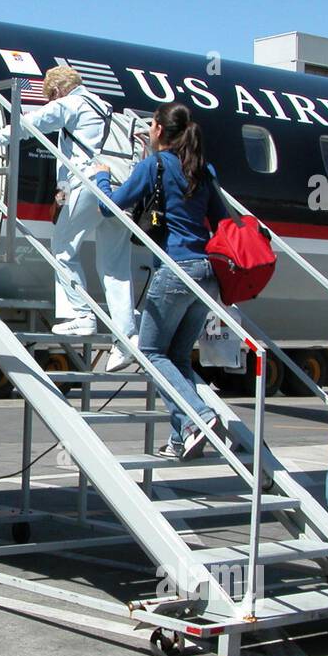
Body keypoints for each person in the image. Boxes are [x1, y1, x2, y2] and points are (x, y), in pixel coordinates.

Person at [94, 102, 227, 457]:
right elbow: (221, 218)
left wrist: (102, 174)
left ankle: (198, 414)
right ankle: (182, 437)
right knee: (179, 358)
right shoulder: (203, 169)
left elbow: (109, 206)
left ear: (157, 130)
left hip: (175, 270)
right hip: (207, 274)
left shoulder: (153, 165)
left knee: (150, 352)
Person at [0, 65, 135, 348]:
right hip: (117, 186)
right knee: (115, 264)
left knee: (62, 248)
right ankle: (127, 332)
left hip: (88, 183)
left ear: (58, 91)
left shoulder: (71, 103)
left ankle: (81, 314)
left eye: (51, 97)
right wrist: (61, 197)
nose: (51, 102)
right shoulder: (106, 107)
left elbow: (31, 124)